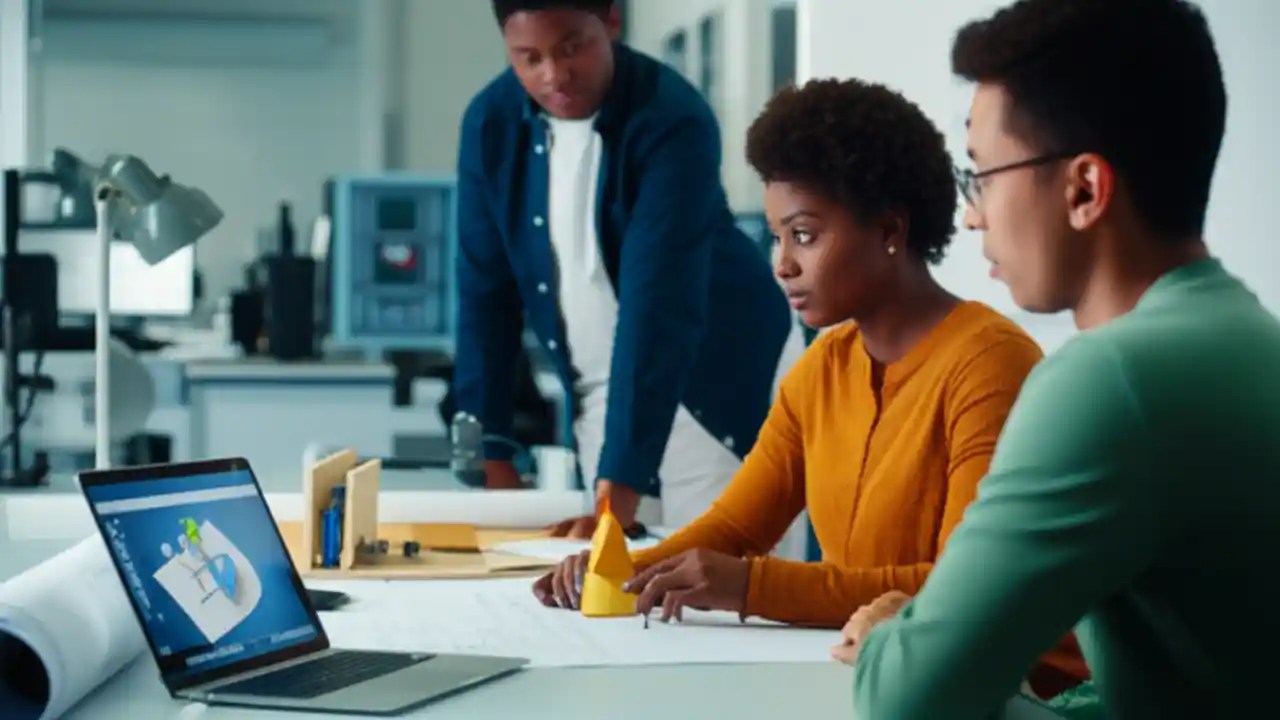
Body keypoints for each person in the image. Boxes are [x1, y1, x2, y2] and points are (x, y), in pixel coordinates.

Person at [533, 77, 1086, 689]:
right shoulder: (822, 368)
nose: (782, 263)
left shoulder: (989, 364)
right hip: (884, 673)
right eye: (776, 237)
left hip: (1015, 692)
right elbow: (737, 529)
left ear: (889, 229)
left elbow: (958, 589)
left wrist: (752, 587)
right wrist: (618, 569)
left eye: (805, 234)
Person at [843, 1, 1280, 717]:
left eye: (981, 175)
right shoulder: (1248, 338)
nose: (970, 214)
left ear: (1083, 189)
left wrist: (894, 638)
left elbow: (904, 703)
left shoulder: (1110, 379)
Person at [455, 1, 803, 539]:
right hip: (602, 400)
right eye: (529, 57)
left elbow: (657, 305)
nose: (554, 75)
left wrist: (618, 492)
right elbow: (484, 292)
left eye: (573, 47)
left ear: (612, 21)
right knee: (610, 596)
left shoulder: (671, 117)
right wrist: (491, 456)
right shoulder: (491, 123)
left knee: (718, 589)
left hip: (715, 384)